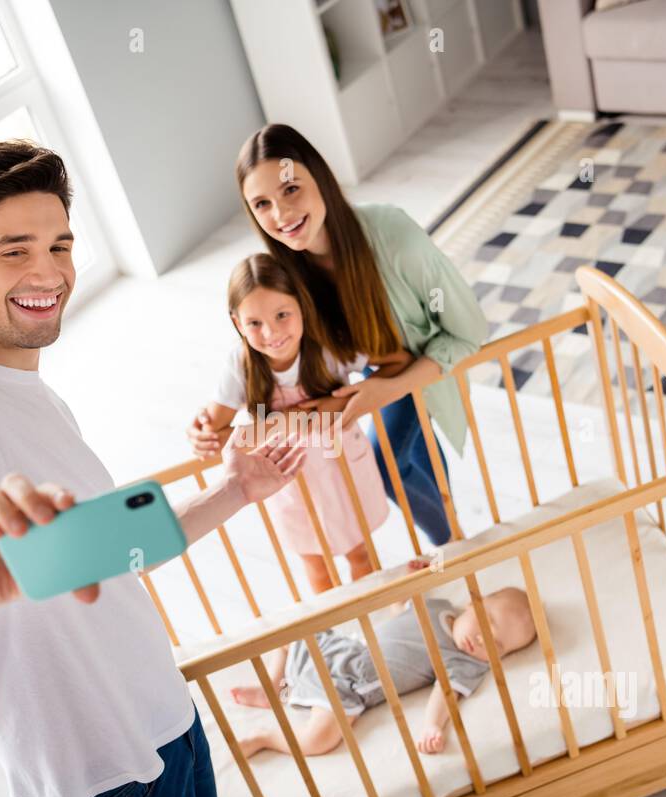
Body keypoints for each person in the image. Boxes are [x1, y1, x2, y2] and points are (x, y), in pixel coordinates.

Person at [0, 140, 306, 797]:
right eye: (14, 251)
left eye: (59, 245)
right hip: (105, 778)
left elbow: (108, 545)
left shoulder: (23, 386)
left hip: (162, 709)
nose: (48, 273)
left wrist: (234, 490)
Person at [188, 123, 490, 548]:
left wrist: (380, 391)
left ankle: (452, 543)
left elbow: (467, 333)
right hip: (371, 369)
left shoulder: (394, 236)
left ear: (321, 178)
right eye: (262, 203)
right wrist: (212, 420)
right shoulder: (288, 273)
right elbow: (270, 345)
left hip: (418, 363)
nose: (282, 215)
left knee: (392, 462)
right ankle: (452, 534)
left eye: (292, 190)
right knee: (409, 459)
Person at [202, 253, 412, 706]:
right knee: (315, 565)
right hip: (290, 479)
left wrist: (351, 398)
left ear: (302, 307)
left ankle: (382, 642)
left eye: (282, 315)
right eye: (255, 323)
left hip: (342, 468)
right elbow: (217, 430)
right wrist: (206, 432)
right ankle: (331, 648)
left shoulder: (329, 346)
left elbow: (395, 361)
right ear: (237, 323)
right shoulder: (242, 367)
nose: (272, 332)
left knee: (360, 553)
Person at [235, 559, 537, 758]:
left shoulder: (465, 661)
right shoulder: (439, 607)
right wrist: (409, 583)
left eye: (497, 646)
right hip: (340, 649)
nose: (482, 641)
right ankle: (273, 687)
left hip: (348, 686)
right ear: (474, 603)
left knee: (320, 738)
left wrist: (433, 725)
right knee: (293, 634)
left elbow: (445, 693)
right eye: (487, 625)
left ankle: (265, 738)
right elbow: (400, 611)